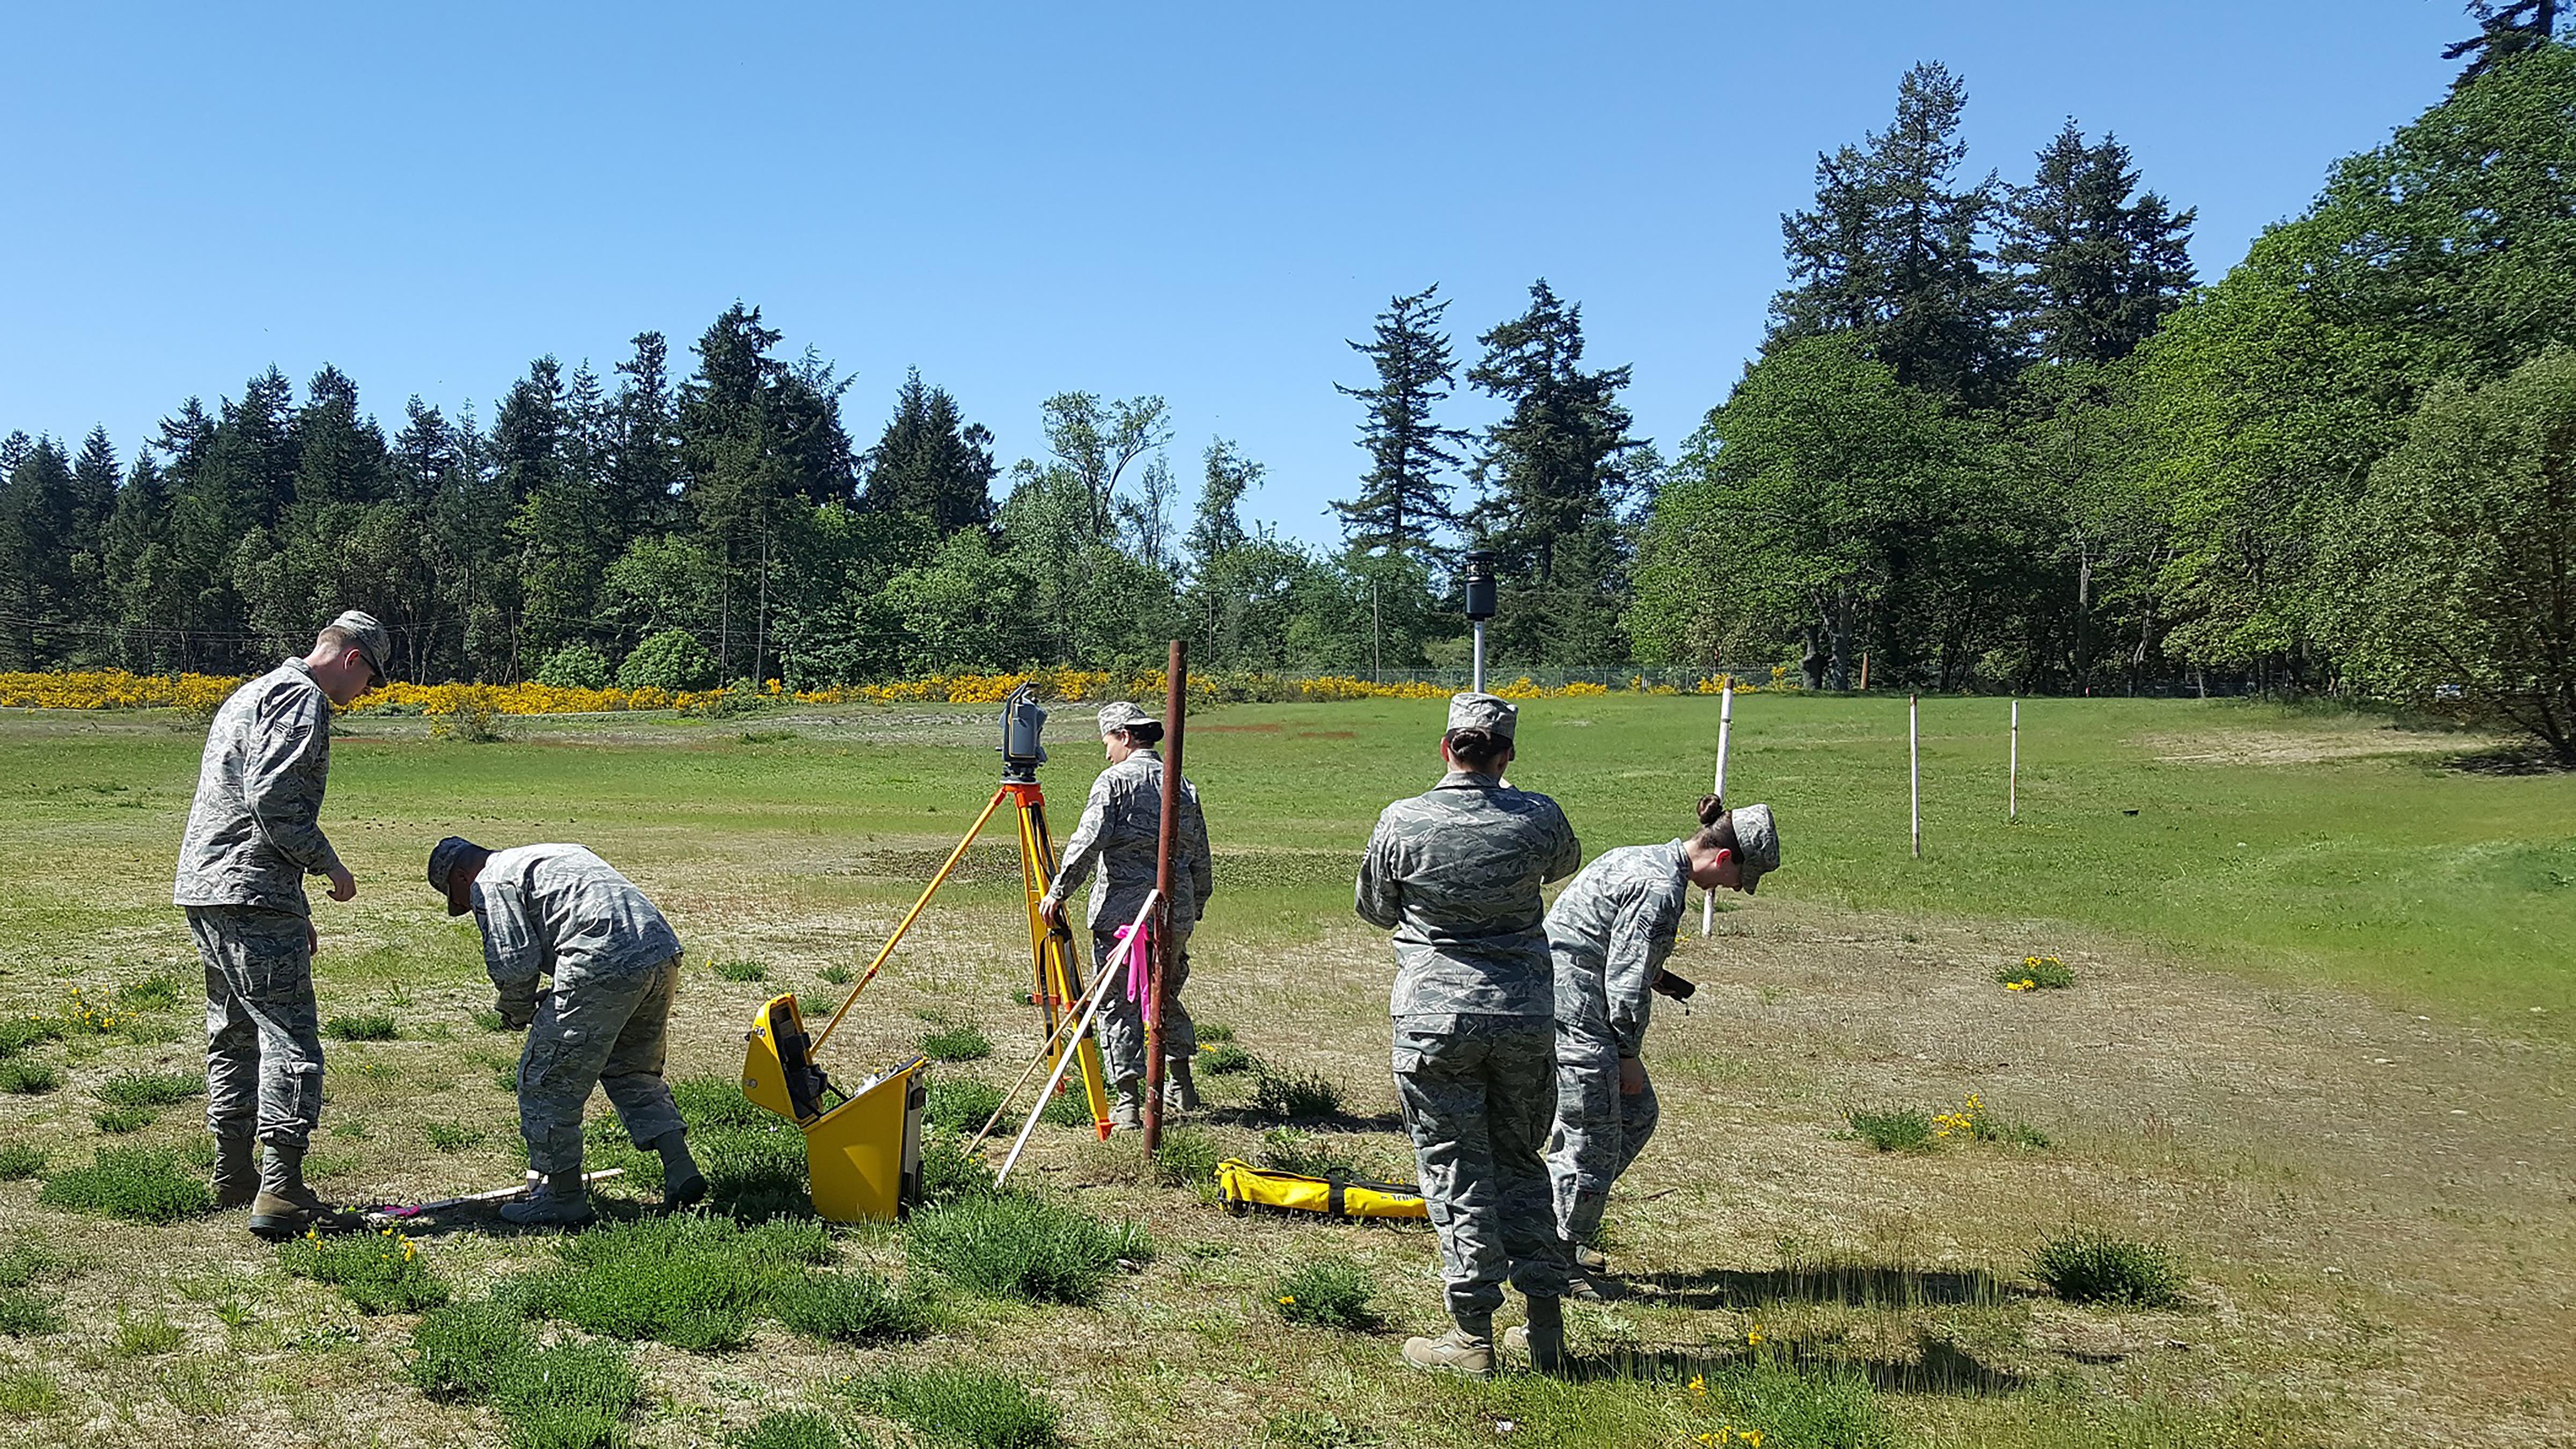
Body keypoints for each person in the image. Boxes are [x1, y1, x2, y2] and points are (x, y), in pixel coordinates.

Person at [1355, 692, 1582, 1377]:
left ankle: (1470, 1336)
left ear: (1446, 746)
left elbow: (1373, 906)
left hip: (1434, 1017)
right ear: (1506, 753)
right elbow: (1562, 864)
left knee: (1454, 1166)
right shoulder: (1538, 815)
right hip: (1522, 1014)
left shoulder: (1404, 820)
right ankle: (1545, 1328)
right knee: (1520, 1160)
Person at [174, 610, 387, 1237]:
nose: (366, 695)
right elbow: (274, 802)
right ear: (352, 660)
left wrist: (295, 905)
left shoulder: (254, 690)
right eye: (371, 681)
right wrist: (330, 866)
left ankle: (234, 1172)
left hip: (208, 886)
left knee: (234, 1031)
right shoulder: (302, 697)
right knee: (291, 1038)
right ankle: (283, 1189)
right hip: (251, 887)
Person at [1539, 798, 1779, 1301]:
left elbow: (1605, 942)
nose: (1732, 888)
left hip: (1569, 1000)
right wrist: (1627, 1054)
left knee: (1626, 1118)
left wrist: (1662, 978)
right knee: (1593, 1140)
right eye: (1737, 879)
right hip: (1579, 1015)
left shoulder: (1640, 857)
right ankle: (1554, 1260)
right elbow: (1623, 984)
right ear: (1722, 859)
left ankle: (1556, 1231)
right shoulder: (1660, 888)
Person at [429, 836, 702, 1227]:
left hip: (600, 961)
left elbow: (514, 962)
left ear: (460, 875)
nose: (465, 905)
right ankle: (679, 1167)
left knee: (546, 1080)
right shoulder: (558, 852)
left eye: (458, 898)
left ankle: (562, 1197)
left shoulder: (491, 881)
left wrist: (516, 1009)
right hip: (659, 953)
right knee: (632, 1070)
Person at [1038, 701, 1213, 1130]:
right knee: (1163, 993)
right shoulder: (1182, 785)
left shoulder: (1114, 782)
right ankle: (1181, 1083)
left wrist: (1058, 892)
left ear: (1125, 736)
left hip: (1123, 914)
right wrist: (1195, 905)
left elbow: (1088, 841)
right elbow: (1201, 858)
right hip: (1174, 914)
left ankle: (1128, 1101)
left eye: (1108, 742)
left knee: (1119, 1003)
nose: (1106, 752)